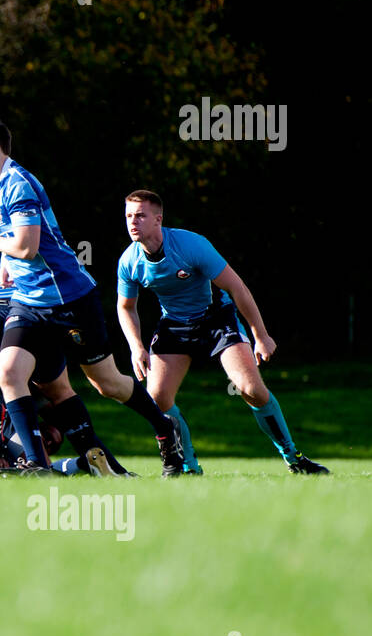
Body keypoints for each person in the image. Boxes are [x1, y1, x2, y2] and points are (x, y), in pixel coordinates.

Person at [0, 115, 181, 475]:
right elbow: (12, 243)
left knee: (107, 383)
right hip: (29, 304)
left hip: (69, 299)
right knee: (10, 373)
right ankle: (36, 463)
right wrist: (3, 264)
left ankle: (163, 427)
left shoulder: (19, 184)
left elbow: (29, 247)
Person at [116, 190, 326, 474]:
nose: (133, 222)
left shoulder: (191, 245)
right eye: (129, 216)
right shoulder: (129, 261)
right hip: (175, 324)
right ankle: (189, 467)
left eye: (140, 215)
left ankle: (294, 457)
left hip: (216, 318)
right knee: (158, 398)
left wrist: (260, 334)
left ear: (158, 219)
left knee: (250, 389)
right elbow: (126, 307)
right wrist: (136, 347)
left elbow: (236, 287)